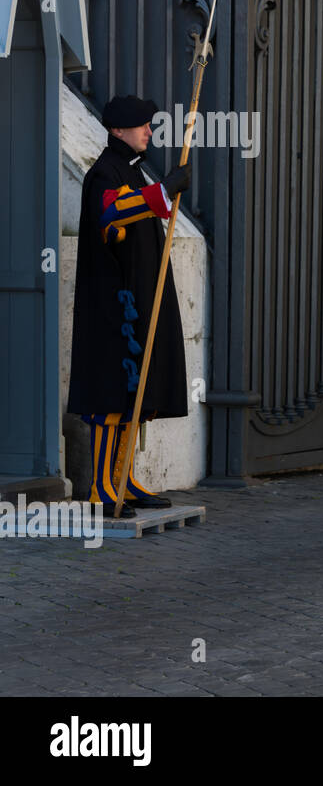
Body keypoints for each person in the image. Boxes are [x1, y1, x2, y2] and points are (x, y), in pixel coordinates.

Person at [67, 95, 191, 517]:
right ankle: (102, 488)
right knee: (110, 397)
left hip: (136, 301)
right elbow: (112, 213)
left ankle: (124, 479)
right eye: (143, 126)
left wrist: (160, 192)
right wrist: (162, 192)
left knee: (135, 394)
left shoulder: (131, 170)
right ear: (118, 130)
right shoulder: (104, 172)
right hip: (112, 307)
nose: (149, 132)